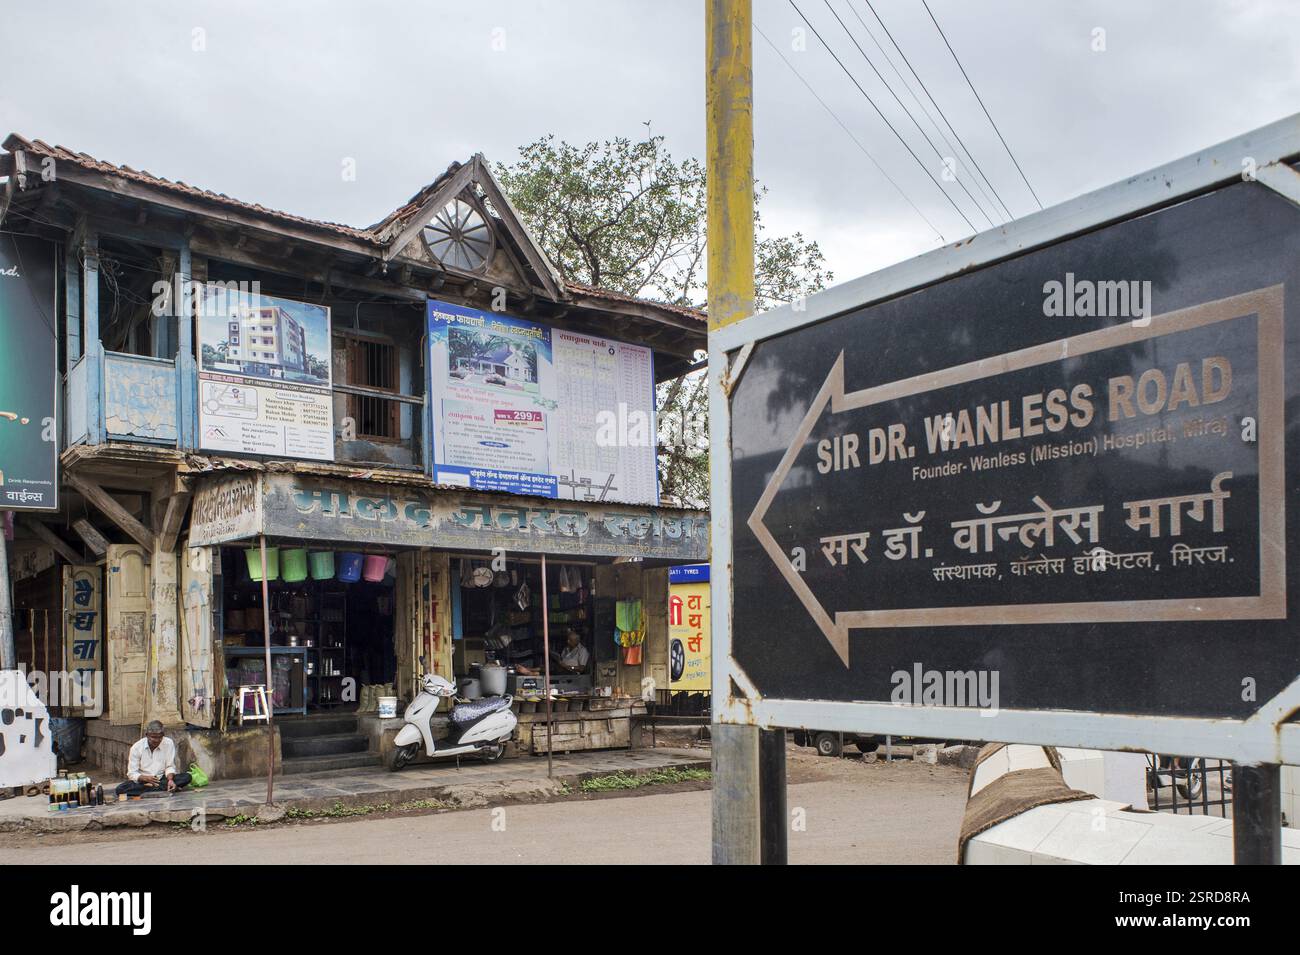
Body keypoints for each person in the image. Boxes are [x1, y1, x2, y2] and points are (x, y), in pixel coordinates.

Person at [115, 721, 191, 797]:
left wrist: (170, 780)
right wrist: (145, 778)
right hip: (143, 781)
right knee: (120, 789)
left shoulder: (168, 743)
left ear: (163, 735)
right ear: (147, 735)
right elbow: (132, 773)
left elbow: (169, 766)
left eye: (159, 737)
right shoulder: (136, 747)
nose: (157, 740)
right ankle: (162, 789)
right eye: (153, 737)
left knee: (187, 777)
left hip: (161, 779)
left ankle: (154, 789)